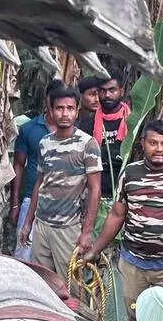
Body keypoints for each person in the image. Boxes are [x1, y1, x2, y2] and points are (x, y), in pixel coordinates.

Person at [83, 119, 163, 321]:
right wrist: (95, 250)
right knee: (134, 320)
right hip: (133, 265)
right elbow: (117, 215)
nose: (159, 149)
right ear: (143, 143)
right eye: (153, 143)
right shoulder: (130, 174)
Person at [19, 86, 102, 278]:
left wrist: (87, 232)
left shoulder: (87, 144)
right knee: (42, 282)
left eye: (70, 108)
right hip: (42, 225)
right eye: (59, 108)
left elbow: (95, 189)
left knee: (70, 285)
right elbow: (39, 184)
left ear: (76, 110)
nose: (65, 113)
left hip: (68, 227)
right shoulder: (45, 143)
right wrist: (28, 223)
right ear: (51, 110)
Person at [9, 79, 62, 261]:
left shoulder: (77, 135)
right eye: (53, 100)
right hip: (30, 198)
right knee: (24, 253)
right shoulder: (28, 129)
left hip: (61, 205)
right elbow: (18, 166)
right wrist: (15, 203)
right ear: (47, 100)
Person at [76, 71, 129, 197]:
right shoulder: (87, 123)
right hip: (95, 194)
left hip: (125, 194)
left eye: (112, 90)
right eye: (102, 91)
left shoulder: (134, 122)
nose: (107, 95)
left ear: (121, 91)